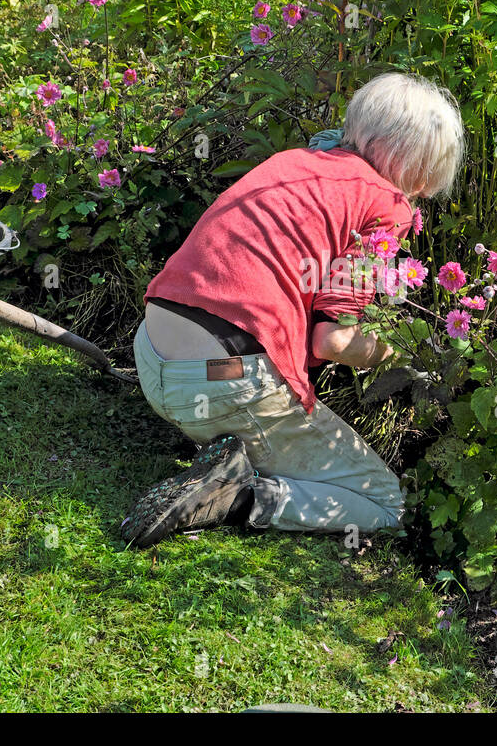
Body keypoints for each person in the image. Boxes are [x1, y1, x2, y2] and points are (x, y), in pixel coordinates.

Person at [119, 71, 465, 548]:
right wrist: (403, 353)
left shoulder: (295, 162)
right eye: (429, 180)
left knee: (240, 378)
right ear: (421, 169)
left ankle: (225, 443)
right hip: (222, 377)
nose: (423, 194)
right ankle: (239, 494)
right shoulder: (386, 203)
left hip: (154, 359)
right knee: (388, 503)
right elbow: (333, 340)